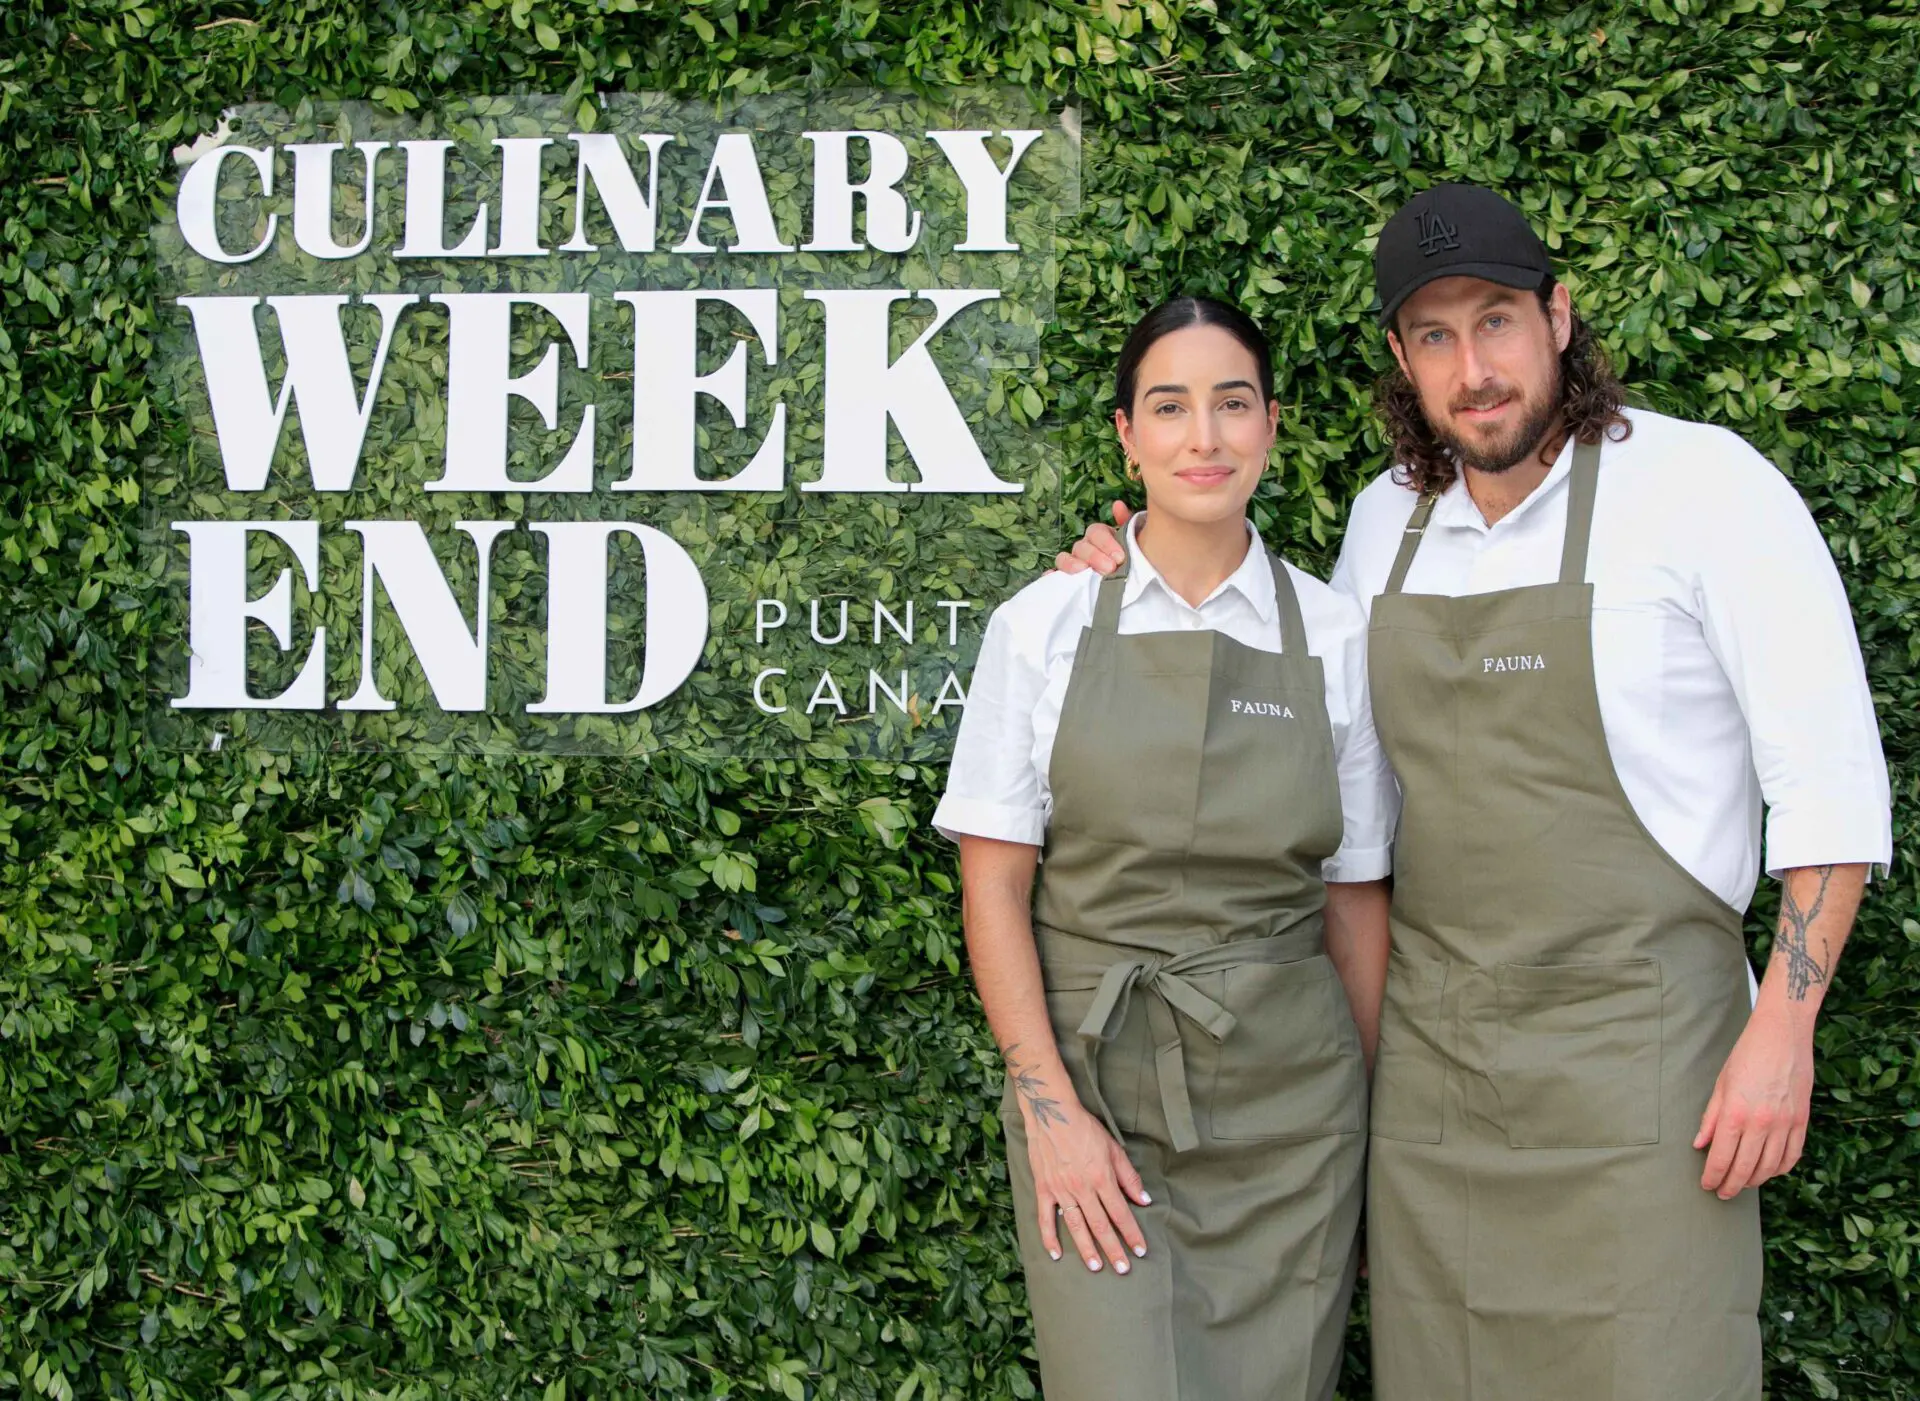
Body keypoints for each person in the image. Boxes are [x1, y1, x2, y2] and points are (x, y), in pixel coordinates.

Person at [1054, 185, 1893, 1400]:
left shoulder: (1708, 491)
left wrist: (1786, 1032)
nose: (1474, 368)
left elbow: (1828, 783)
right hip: (1435, 1088)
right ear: (1402, 359)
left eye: (1497, 320)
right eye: (1436, 337)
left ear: (1558, 316)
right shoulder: (1384, 519)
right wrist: (1119, 583)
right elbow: (1313, 758)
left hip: (1649, 1084)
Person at [935, 296, 1396, 1401]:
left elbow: (1357, 908)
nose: (1206, 437)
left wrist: (1367, 1145)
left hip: (1296, 1123)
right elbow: (992, 891)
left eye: (1233, 404)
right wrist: (1051, 1116)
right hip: (1095, 1100)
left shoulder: (1336, 637)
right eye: (1171, 406)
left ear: (1272, 427)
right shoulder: (1039, 628)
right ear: (1126, 436)